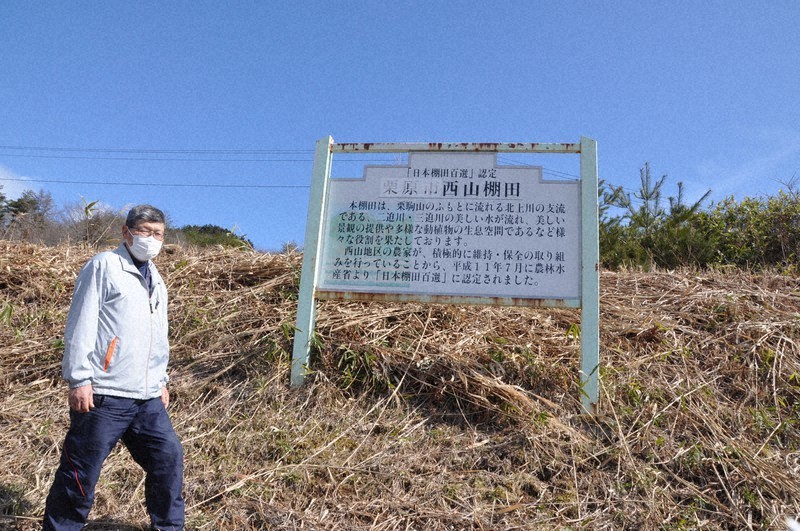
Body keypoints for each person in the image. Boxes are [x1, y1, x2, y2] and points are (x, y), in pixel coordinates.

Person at [43, 205, 184, 530]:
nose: (151, 239)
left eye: (158, 234)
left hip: (147, 399)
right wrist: (79, 379)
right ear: (126, 232)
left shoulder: (157, 279)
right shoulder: (104, 266)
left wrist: (160, 380)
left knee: (168, 460)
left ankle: (169, 527)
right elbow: (81, 323)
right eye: (145, 231)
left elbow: (157, 335)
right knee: (80, 474)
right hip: (104, 395)